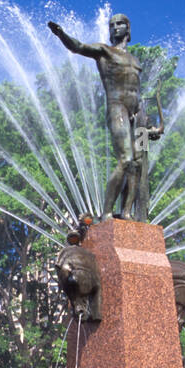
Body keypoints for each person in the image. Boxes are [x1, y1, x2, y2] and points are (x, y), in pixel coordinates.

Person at [47, 13, 142, 220]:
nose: (115, 28)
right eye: (111, 25)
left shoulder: (135, 60)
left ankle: (126, 212)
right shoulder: (104, 51)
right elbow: (78, 46)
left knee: (138, 164)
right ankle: (107, 212)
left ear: (128, 28)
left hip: (138, 116)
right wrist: (62, 34)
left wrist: (148, 126)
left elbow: (137, 91)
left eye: (119, 24)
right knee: (125, 159)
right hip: (117, 109)